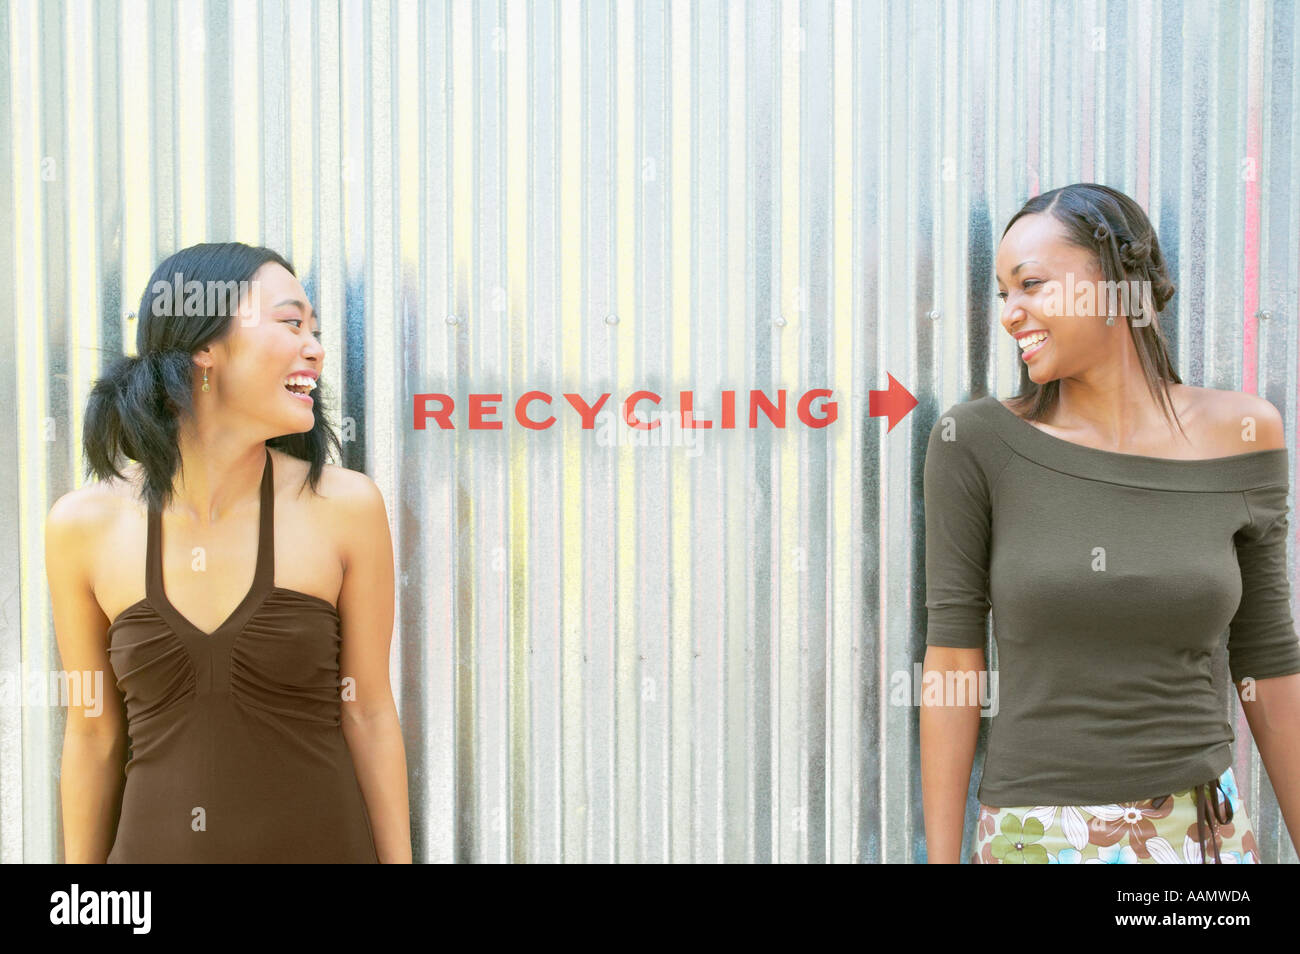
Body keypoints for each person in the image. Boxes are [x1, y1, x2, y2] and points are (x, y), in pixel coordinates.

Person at [920, 183, 1300, 864]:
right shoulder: (975, 441)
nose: (1011, 314)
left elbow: (1269, 663)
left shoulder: (1245, 434)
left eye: (1030, 284)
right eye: (1003, 293)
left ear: (1116, 285)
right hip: (1035, 838)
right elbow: (952, 660)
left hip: (1202, 837)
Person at [46, 242, 412, 862]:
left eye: (315, 331)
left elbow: (370, 713)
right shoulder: (83, 525)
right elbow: (91, 735)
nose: (316, 349)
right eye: (291, 323)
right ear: (204, 348)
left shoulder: (346, 507)